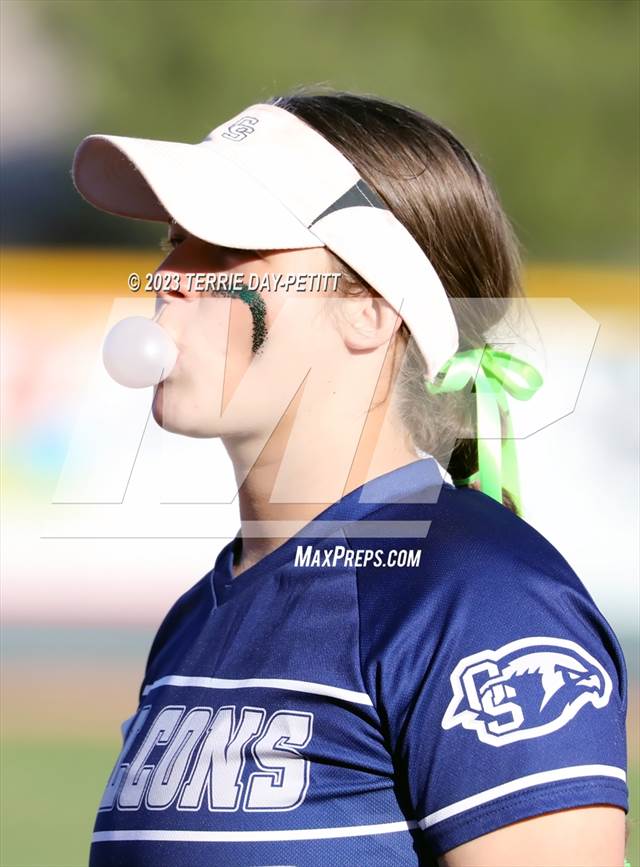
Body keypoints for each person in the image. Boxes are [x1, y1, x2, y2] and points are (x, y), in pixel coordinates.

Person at [71, 89, 630, 867]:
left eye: (226, 250)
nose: (166, 278)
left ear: (369, 307)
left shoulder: (481, 596)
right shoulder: (196, 617)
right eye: (173, 241)